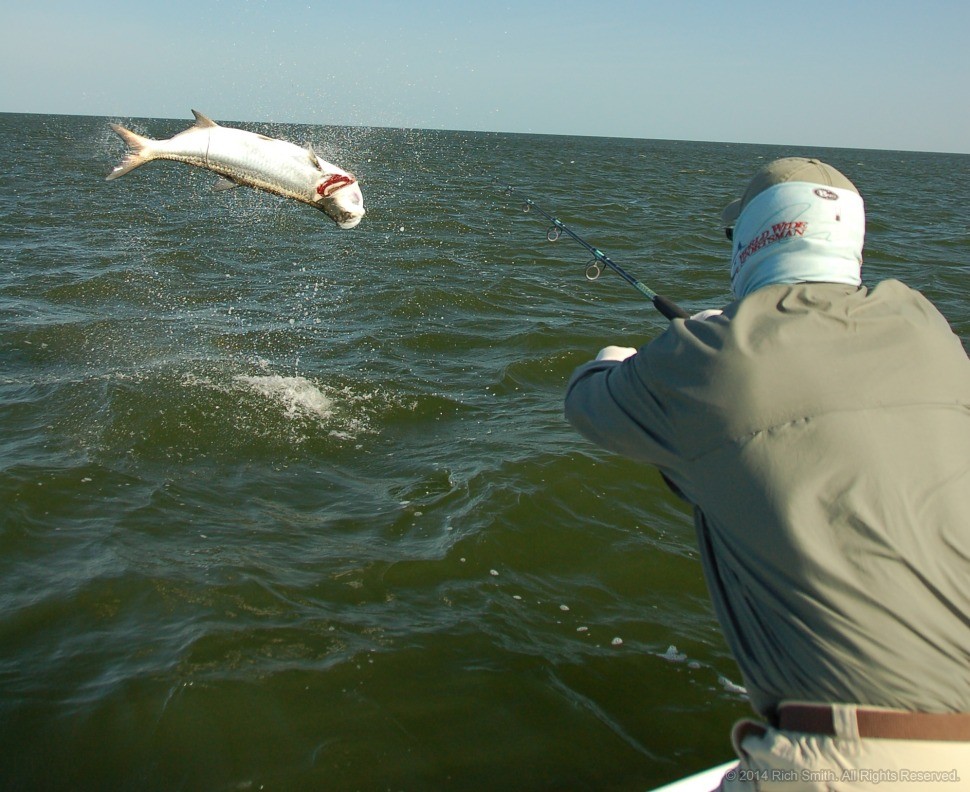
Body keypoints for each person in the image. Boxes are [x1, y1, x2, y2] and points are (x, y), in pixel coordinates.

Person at [563, 157, 970, 791]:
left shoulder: (705, 357)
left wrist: (621, 358)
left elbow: (589, 407)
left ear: (755, 237)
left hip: (861, 766)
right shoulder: (927, 327)